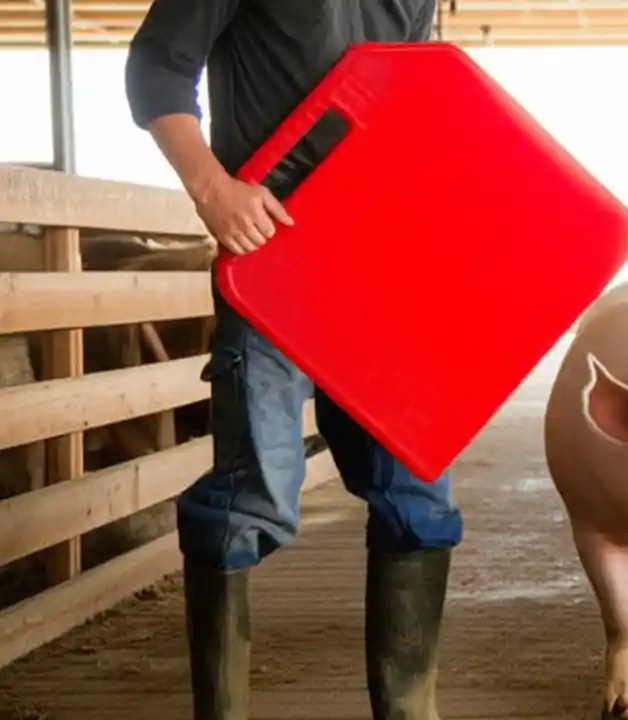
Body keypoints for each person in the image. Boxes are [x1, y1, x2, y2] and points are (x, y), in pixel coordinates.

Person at [124, 1, 461, 718]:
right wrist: (214, 191)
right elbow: (156, 66)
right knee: (256, 497)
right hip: (272, 260)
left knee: (420, 498)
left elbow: (399, 98)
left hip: (376, 264)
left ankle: (408, 709)